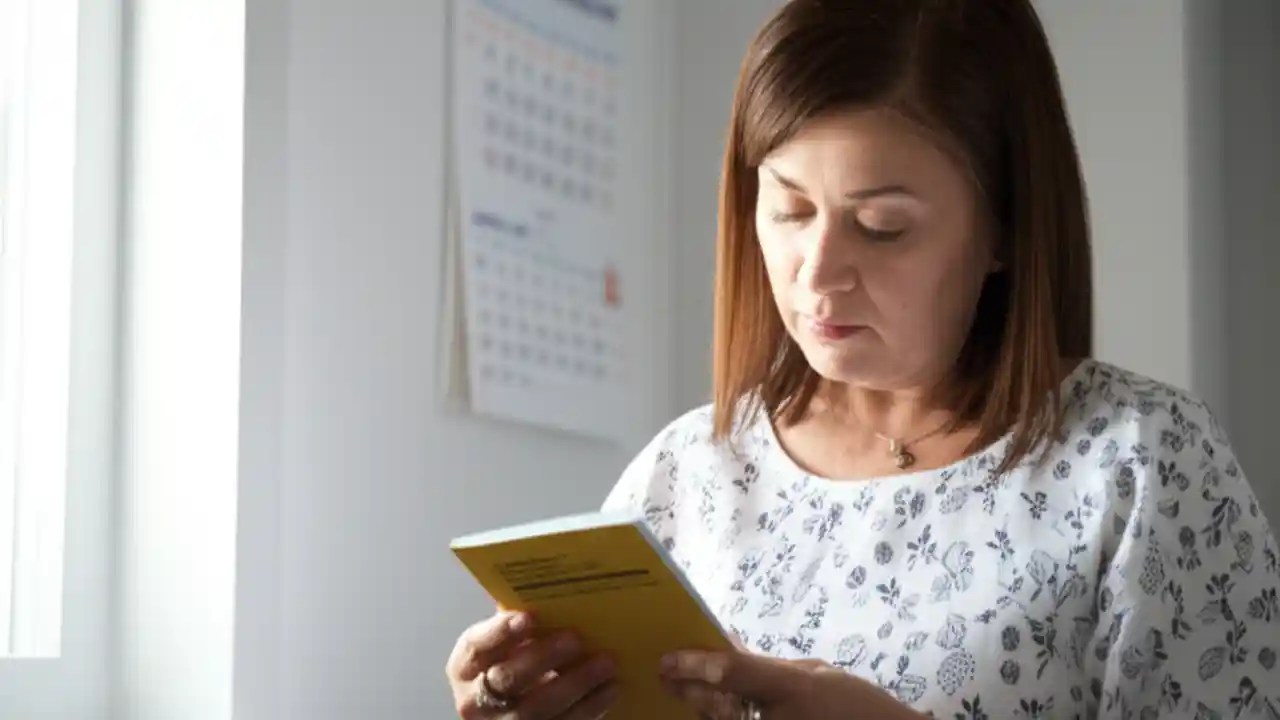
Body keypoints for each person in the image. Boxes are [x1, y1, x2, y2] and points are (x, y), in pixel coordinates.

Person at [445, 0, 1280, 717]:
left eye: (882, 227)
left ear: (1005, 229)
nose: (817, 272)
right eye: (789, 209)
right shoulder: (684, 478)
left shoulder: (1138, 463)